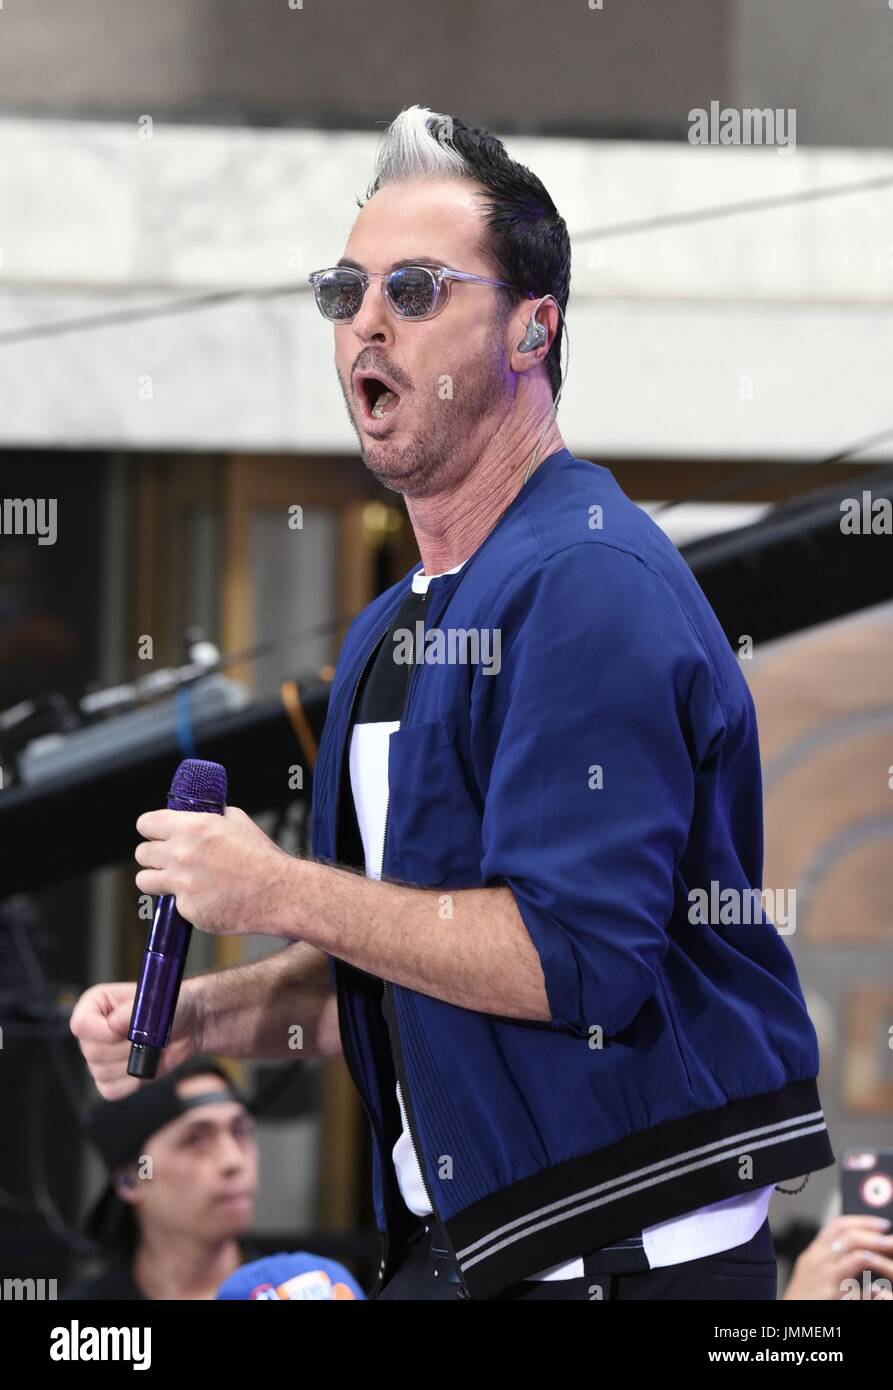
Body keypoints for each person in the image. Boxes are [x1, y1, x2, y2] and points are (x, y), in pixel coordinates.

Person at [72, 104, 834, 1301]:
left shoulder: (586, 582)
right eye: (345, 291)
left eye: (417, 289)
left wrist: (273, 887)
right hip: (480, 1250)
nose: (366, 321)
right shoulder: (393, 627)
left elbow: (575, 962)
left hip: (616, 1258)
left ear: (534, 327)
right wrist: (203, 1020)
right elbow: (419, 964)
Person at [63, 1057, 261, 1300]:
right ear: (130, 1179)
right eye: (196, 1140)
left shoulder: (298, 1288)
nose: (233, 1161)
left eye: (240, 1132)